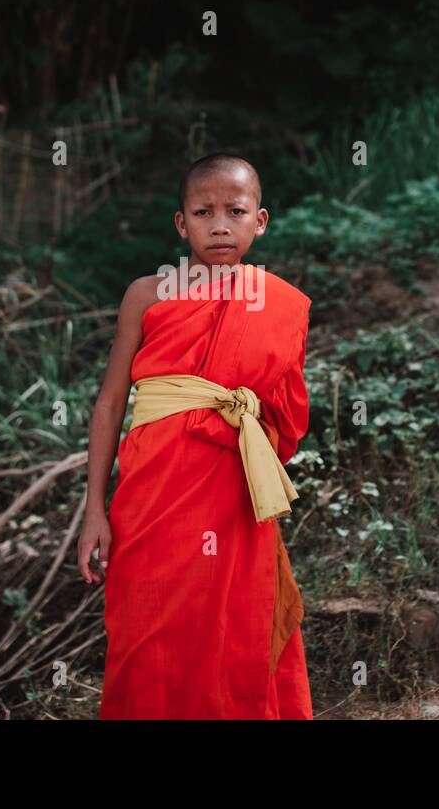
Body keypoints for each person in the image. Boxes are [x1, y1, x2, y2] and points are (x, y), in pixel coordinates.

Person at [78, 152, 314, 719]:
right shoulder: (148, 294)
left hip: (232, 495)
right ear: (181, 223)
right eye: (203, 212)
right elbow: (111, 403)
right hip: (151, 494)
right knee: (145, 630)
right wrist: (94, 509)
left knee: (232, 632)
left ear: (260, 220)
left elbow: (287, 417)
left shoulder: (281, 305)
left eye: (235, 211)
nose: (220, 225)